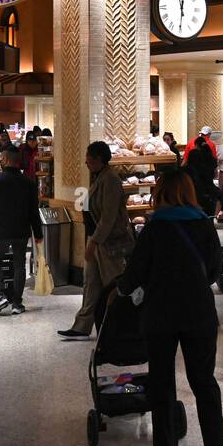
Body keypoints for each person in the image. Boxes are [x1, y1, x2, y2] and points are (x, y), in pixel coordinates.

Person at [117, 169, 223, 446]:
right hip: (199, 312)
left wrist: (123, 290)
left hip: (161, 314)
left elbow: (135, 273)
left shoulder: (155, 228)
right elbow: (214, 270)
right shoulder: (204, 224)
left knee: (162, 381)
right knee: (204, 381)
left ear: (161, 194)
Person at [59, 142, 134, 339]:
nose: (86, 162)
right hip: (97, 240)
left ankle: (123, 324)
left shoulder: (110, 180)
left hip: (108, 243)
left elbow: (108, 217)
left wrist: (93, 242)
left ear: (99, 159)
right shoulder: (99, 176)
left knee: (113, 285)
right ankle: (82, 325)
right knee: (90, 284)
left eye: (89, 158)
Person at [0, 148, 42, 316]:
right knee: (19, 264)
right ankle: (17, 302)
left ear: (6, 159)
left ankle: (0, 296)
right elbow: (33, 211)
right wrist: (38, 233)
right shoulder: (28, 182)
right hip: (21, 230)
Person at [183, 135, 219, 216]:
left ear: (196, 145)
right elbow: (215, 175)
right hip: (209, 192)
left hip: (196, 194)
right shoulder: (211, 159)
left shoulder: (193, 166)